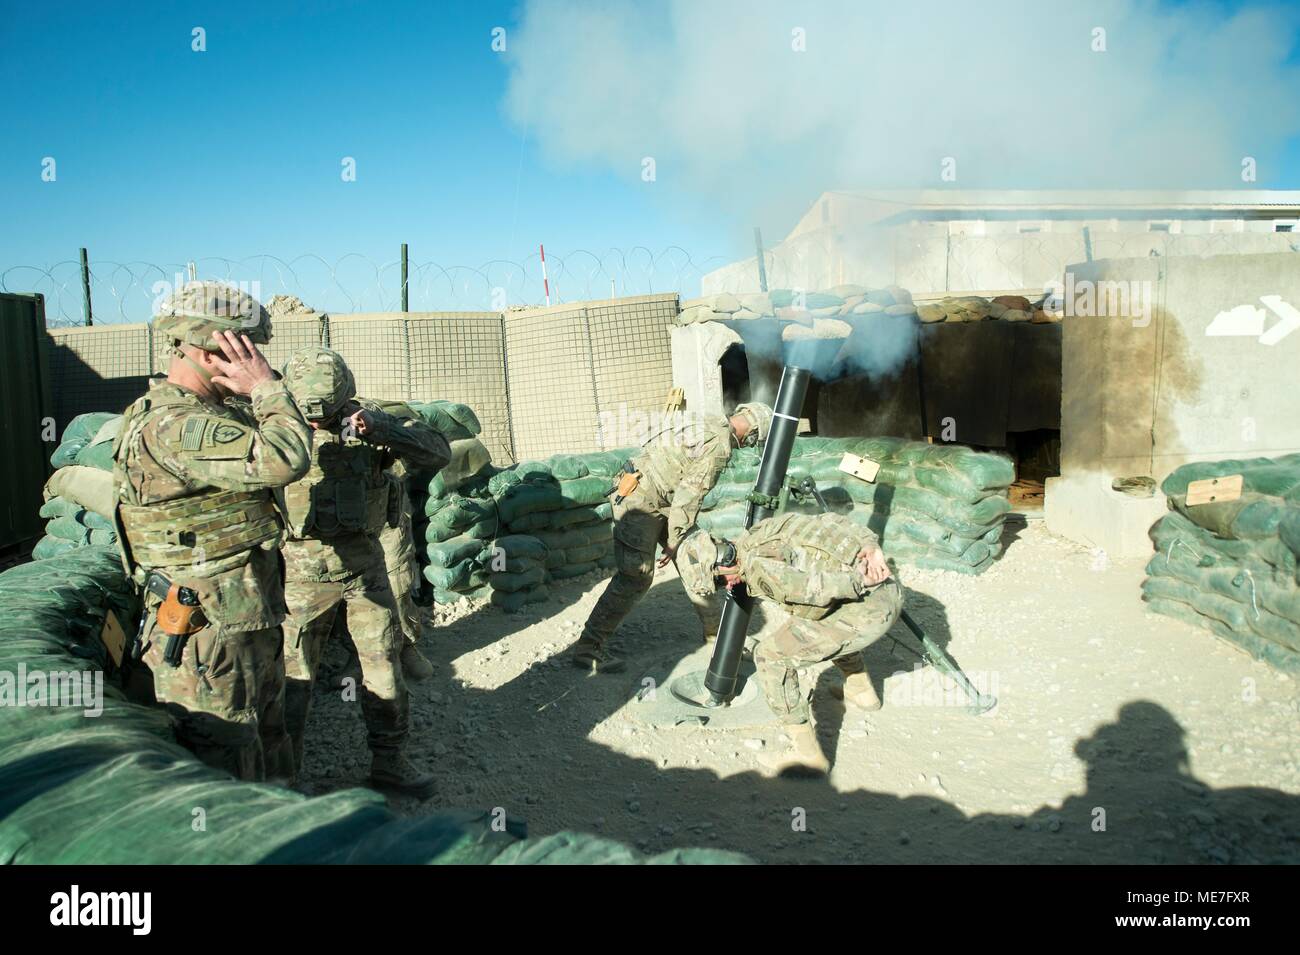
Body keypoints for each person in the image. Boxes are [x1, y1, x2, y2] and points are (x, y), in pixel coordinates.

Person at [111, 281, 311, 782]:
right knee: (228, 761)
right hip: (211, 632)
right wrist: (266, 387)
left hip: (238, 618)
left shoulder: (206, 415)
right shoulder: (177, 424)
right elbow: (286, 457)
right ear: (211, 350)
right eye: (247, 350)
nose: (257, 360)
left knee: (266, 742)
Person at [277, 347, 449, 798]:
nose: (318, 422)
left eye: (327, 412)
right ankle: (283, 782)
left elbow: (438, 452)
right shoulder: (275, 430)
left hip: (364, 569)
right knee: (293, 683)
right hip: (299, 575)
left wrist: (382, 430)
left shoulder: (367, 421)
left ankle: (390, 764)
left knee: (384, 670)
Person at [677, 510, 903, 777]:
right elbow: (828, 519)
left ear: (722, 564)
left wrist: (858, 581)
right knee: (812, 620)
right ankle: (861, 690)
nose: (725, 587)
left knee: (771, 657)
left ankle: (807, 756)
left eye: (719, 580)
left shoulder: (760, 571)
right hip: (886, 585)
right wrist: (870, 544)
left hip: (872, 610)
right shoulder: (763, 531)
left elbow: (814, 589)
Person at [570, 403, 774, 673]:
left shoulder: (707, 418)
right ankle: (588, 647)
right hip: (639, 500)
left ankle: (717, 637)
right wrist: (674, 541)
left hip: (660, 497)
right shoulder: (719, 445)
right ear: (751, 432)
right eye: (753, 441)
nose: (748, 445)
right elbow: (688, 498)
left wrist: (679, 542)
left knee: (696, 562)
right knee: (636, 575)